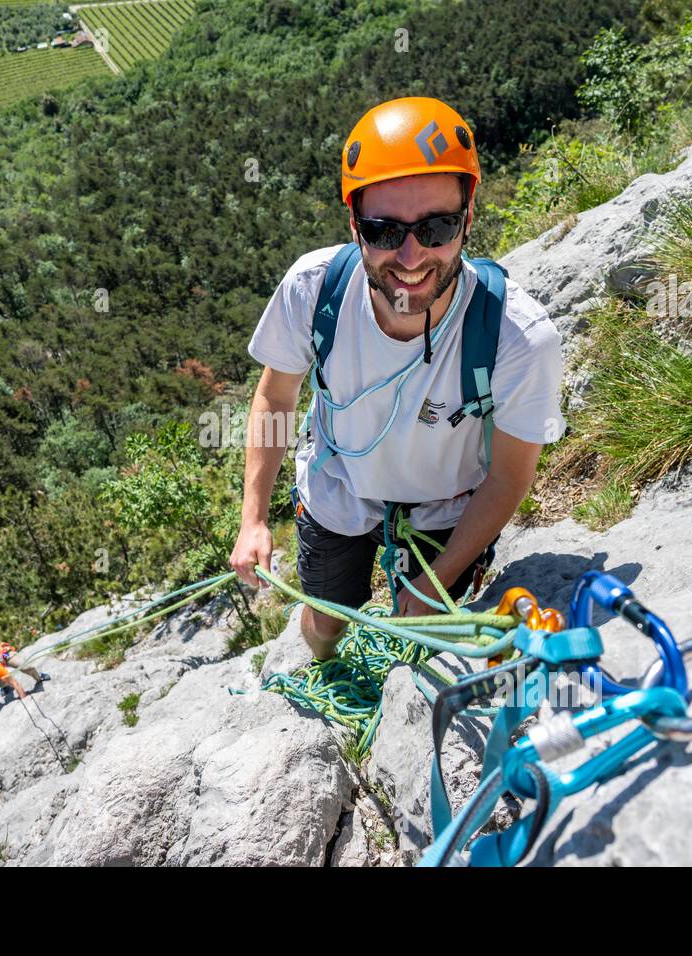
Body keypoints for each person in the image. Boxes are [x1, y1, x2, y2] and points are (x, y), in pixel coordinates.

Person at [229, 97, 565, 661]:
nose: (411, 256)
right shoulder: (313, 290)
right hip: (339, 492)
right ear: (353, 223)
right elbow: (276, 396)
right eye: (385, 231)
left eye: (437, 227)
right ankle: (326, 669)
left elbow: (508, 476)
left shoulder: (518, 337)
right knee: (327, 622)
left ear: (469, 217)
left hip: (449, 510)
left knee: (426, 645)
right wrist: (254, 520)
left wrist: (437, 580)